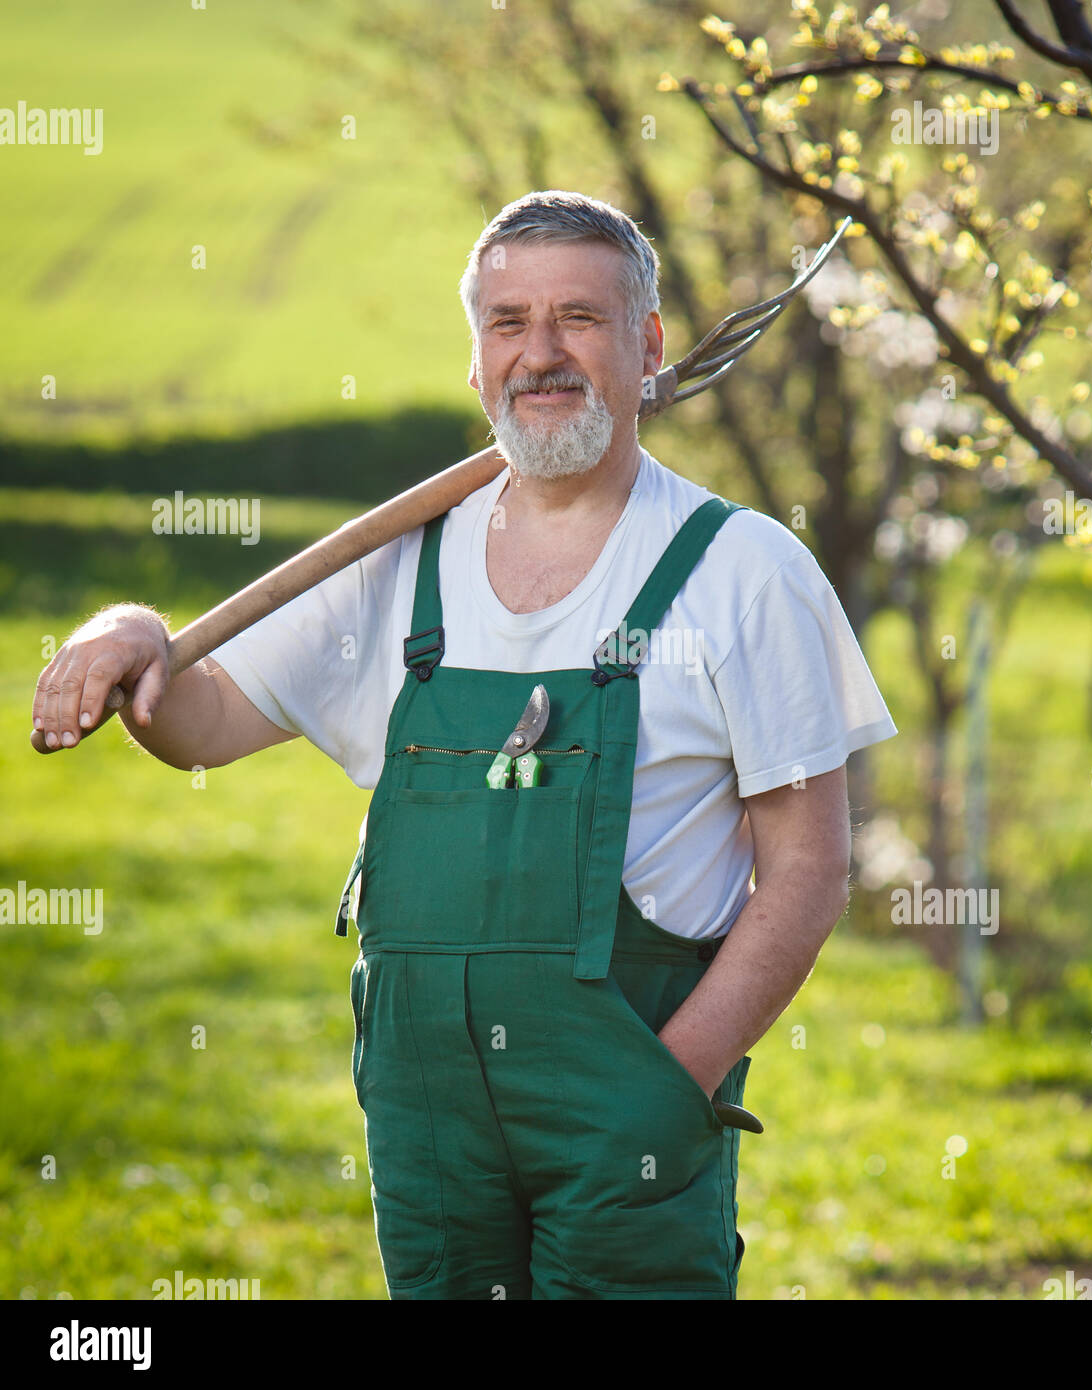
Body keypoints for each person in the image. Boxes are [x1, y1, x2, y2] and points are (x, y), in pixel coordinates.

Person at [31, 189, 896, 1300]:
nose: (541, 354)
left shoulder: (743, 570)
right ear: (474, 361)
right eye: (507, 323)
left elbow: (811, 868)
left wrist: (667, 1085)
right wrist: (128, 632)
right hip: (428, 1113)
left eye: (579, 319)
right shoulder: (401, 563)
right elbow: (195, 721)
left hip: (626, 1101)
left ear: (648, 347)